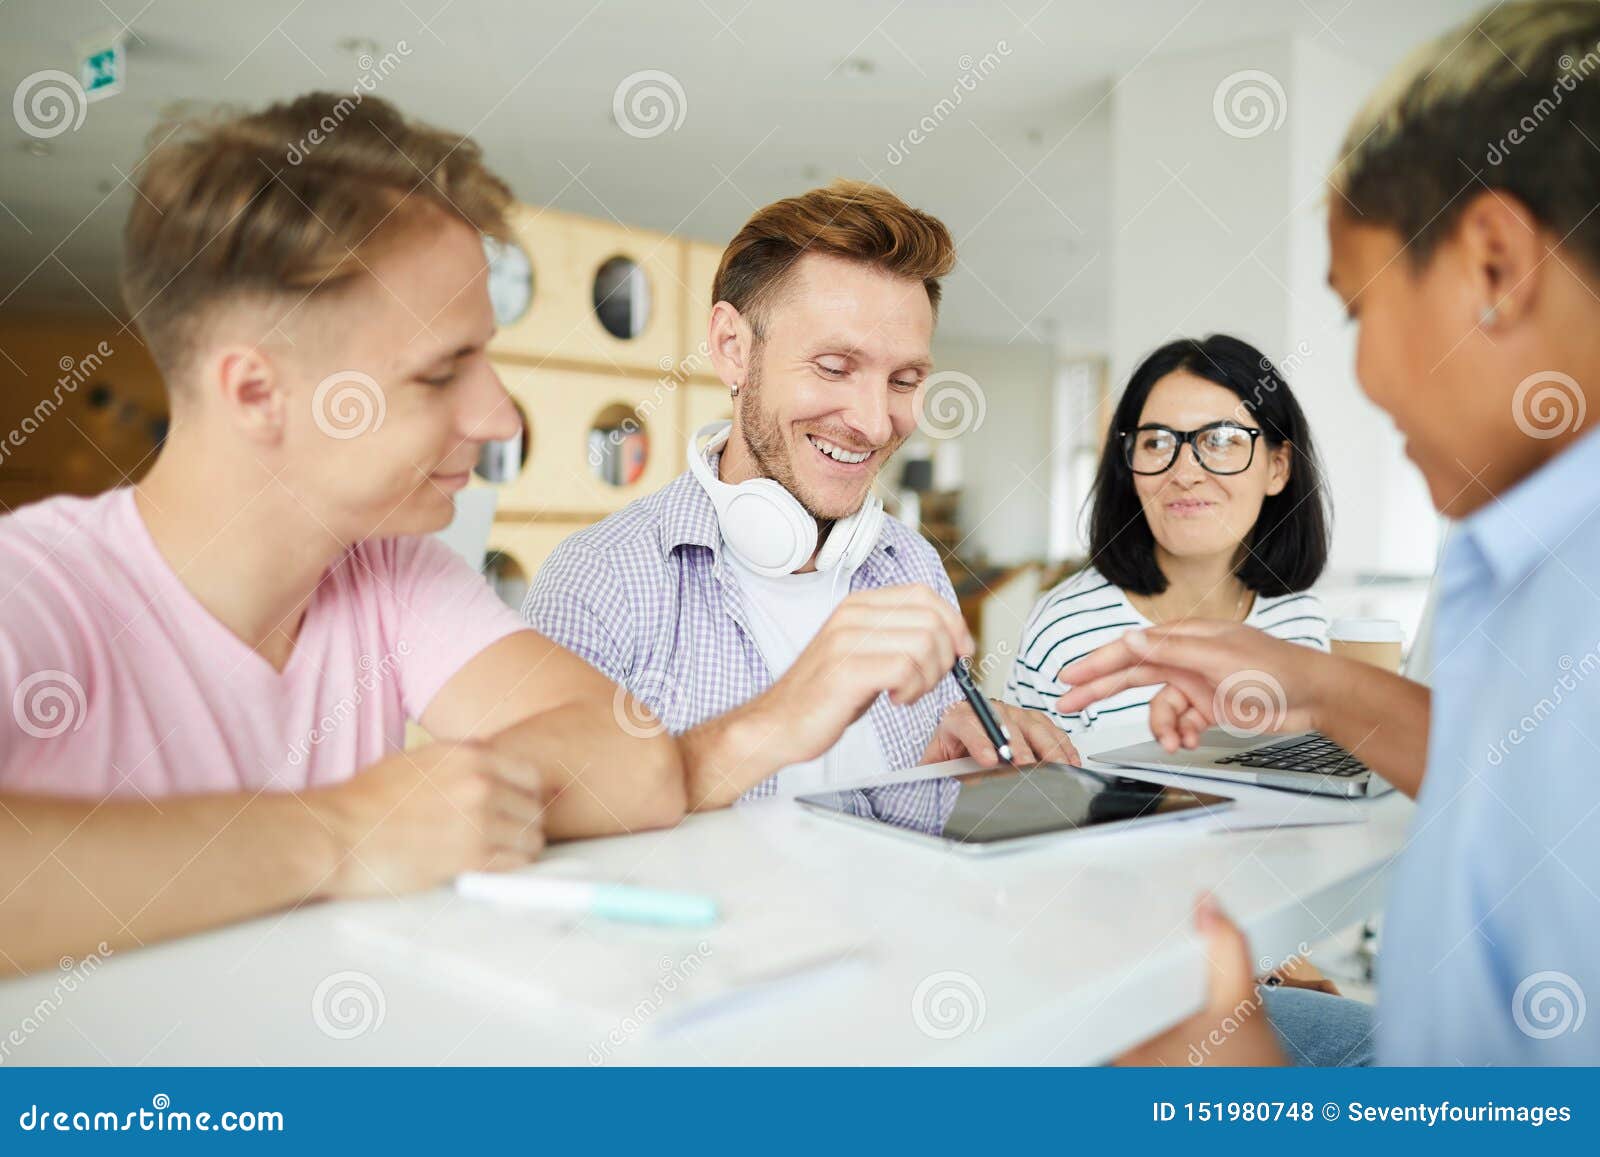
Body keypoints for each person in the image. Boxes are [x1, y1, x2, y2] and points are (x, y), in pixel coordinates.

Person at [0, 93, 685, 977]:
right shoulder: (32, 589)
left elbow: (634, 760)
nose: (499, 414)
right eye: (441, 374)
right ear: (255, 393)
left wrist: (419, 813)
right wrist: (347, 832)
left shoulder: (393, 570)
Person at [1061, 0, 1600, 1065]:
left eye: (1356, 309)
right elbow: (1533, 788)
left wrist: (1233, 1083)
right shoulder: (1531, 557)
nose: (1358, 375)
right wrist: (1318, 687)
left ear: (1493, 264)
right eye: (1155, 443)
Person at [524, 180, 1078, 814]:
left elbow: (906, 858)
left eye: (903, 380)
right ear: (733, 348)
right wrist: (778, 720)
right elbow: (540, 822)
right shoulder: (599, 580)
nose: (873, 423)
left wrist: (938, 776)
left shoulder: (914, 567)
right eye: (835, 367)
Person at [1007, 334, 1331, 735]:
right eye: (1157, 442)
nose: (1184, 474)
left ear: (1278, 468)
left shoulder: (1302, 620)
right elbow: (1033, 791)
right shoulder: (1064, 629)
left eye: (1221, 440)